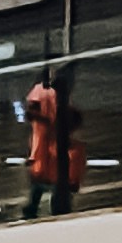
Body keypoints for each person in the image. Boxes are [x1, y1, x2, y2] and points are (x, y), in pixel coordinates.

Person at [26, 71, 86, 217]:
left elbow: (31, 112)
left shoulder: (43, 98)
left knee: (39, 191)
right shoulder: (71, 149)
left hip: (45, 165)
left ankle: (35, 209)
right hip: (48, 165)